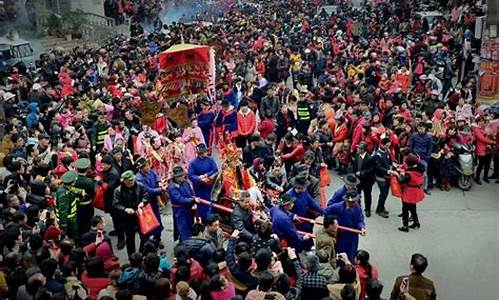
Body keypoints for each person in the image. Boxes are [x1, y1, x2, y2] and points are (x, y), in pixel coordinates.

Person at [112, 170, 148, 255]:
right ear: (124, 181)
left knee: (144, 236)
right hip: (127, 217)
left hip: (140, 214)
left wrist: (143, 202)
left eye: (132, 180)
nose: (131, 182)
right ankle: (132, 256)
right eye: (128, 181)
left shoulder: (140, 186)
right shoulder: (118, 190)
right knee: (130, 238)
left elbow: (146, 195)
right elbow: (115, 203)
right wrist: (125, 209)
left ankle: (142, 253)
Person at [325, 191, 366, 263]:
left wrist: (362, 227)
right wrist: (331, 224)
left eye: (355, 201)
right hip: (340, 235)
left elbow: (359, 220)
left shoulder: (357, 207)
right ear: (347, 201)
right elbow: (326, 212)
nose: (354, 203)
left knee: (351, 252)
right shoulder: (337, 207)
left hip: (352, 236)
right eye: (352, 202)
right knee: (339, 252)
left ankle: (349, 266)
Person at [135, 157, 165, 245]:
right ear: (140, 168)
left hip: (154, 201)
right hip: (146, 203)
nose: (147, 167)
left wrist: (159, 182)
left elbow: (156, 176)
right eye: (144, 166)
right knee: (148, 223)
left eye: (147, 165)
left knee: (158, 220)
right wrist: (160, 190)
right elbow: (148, 190)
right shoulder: (139, 178)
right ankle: (147, 242)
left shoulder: (150, 171)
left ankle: (158, 238)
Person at [188, 143, 218, 221]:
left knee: (211, 203)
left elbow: (215, 169)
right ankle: (202, 219)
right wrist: (199, 178)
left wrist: (206, 175)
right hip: (199, 188)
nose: (203, 154)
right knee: (201, 205)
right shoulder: (193, 163)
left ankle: (211, 219)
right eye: (200, 153)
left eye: (204, 152)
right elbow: (191, 175)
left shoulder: (210, 159)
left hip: (210, 186)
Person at [397, 154, 425, 232]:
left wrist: (397, 174)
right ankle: (416, 222)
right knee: (413, 207)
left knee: (405, 209)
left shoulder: (409, 174)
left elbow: (401, 180)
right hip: (417, 191)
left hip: (409, 192)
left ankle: (405, 226)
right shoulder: (420, 169)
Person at [168, 166, 197, 242]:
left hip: (189, 209)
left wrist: (193, 202)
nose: (181, 177)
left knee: (190, 227)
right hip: (180, 211)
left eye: (182, 175)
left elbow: (191, 192)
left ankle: (183, 243)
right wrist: (192, 200)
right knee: (184, 230)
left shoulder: (186, 182)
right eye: (179, 176)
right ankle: (186, 246)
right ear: (175, 177)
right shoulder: (172, 187)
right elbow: (180, 199)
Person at [373, 138, 398, 218]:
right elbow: (379, 167)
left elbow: (390, 161)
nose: (387, 147)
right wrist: (388, 171)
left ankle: (381, 207)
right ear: (381, 144)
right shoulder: (377, 154)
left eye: (388, 146)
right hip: (381, 176)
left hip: (387, 176)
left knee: (385, 193)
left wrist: (395, 164)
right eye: (386, 146)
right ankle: (379, 210)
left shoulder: (387, 151)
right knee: (383, 193)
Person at [73, 158, 96, 241]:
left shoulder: (74, 180)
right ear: (87, 169)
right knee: (87, 224)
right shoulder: (89, 181)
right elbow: (93, 194)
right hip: (87, 205)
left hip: (76, 205)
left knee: (78, 223)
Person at [408, 122, 433, 194]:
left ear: (425, 128)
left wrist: (427, 157)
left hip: (424, 158)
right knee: (413, 173)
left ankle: (425, 188)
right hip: (414, 157)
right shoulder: (414, 136)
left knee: (424, 174)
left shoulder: (429, 137)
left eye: (422, 128)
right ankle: (414, 187)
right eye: (419, 128)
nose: (420, 130)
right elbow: (411, 146)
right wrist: (412, 155)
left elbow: (430, 148)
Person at [351, 142, 375, 217]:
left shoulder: (370, 158)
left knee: (367, 195)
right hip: (358, 180)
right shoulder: (357, 155)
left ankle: (367, 209)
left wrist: (361, 173)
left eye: (359, 148)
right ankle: (357, 207)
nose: (357, 149)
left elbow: (371, 169)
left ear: (363, 150)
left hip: (367, 180)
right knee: (357, 194)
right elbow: (355, 165)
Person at [55, 170, 79, 241]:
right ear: (72, 183)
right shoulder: (64, 195)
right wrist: (64, 225)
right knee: (74, 235)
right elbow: (63, 211)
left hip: (71, 217)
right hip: (69, 219)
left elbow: (73, 190)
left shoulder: (65, 187)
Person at [472, 115, 496, 185]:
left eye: (482, 121)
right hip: (481, 149)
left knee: (488, 164)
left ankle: (485, 177)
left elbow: (489, 137)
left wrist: (492, 136)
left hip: (488, 149)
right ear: (477, 122)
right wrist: (493, 142)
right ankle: (477, 178)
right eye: (479, 121)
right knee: (481, 164)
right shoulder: (476, 130)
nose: (481, 123)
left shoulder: (486, 129)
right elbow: (482, 139)